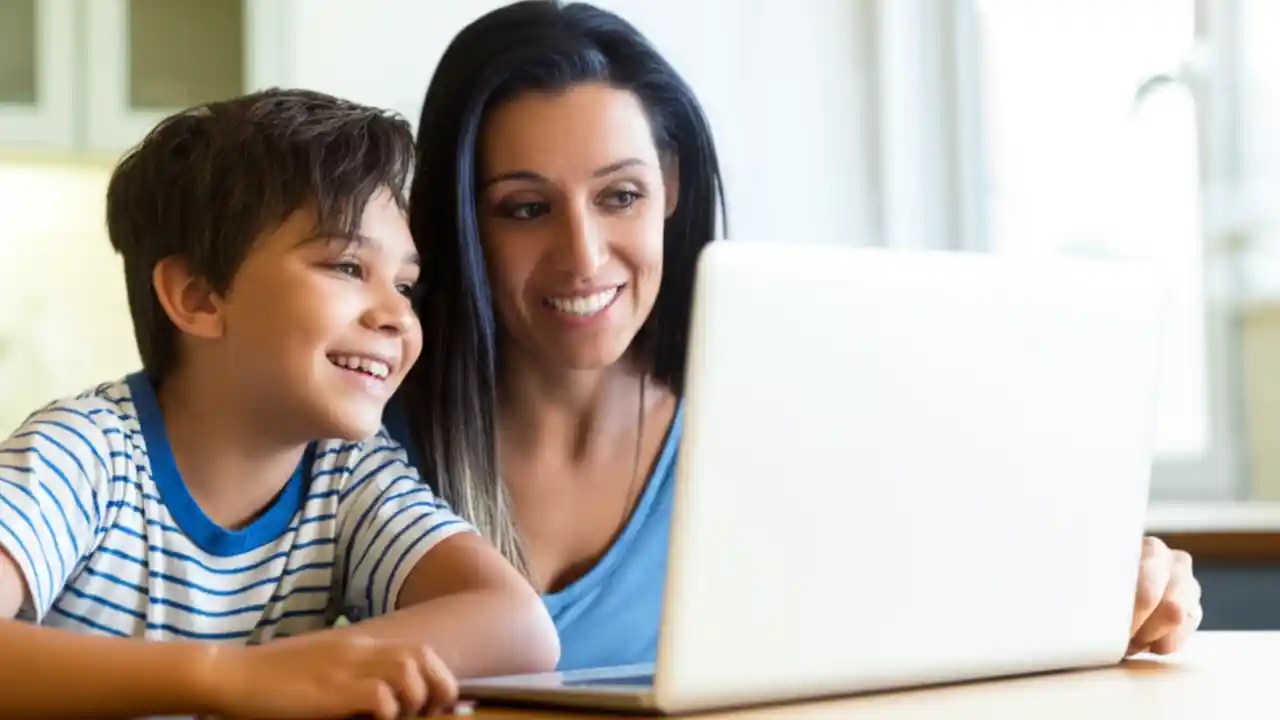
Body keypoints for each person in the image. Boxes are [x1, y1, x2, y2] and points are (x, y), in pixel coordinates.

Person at [394, 0, 1203, 671]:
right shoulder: (372, 440)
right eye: (525, 209)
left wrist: (1132, 591)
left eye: (621, 196)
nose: (583, 255)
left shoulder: (775, 430)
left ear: (671, 186)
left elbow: (952, 590)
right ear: (461, 219)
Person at [0, 88, 558, 719]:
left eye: (404, 284)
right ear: (200, 297)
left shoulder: (349, 475)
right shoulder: (83, 454)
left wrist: (323, 673)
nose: (398, 316)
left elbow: (520, 627)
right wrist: (235, 678)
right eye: (348, 267)